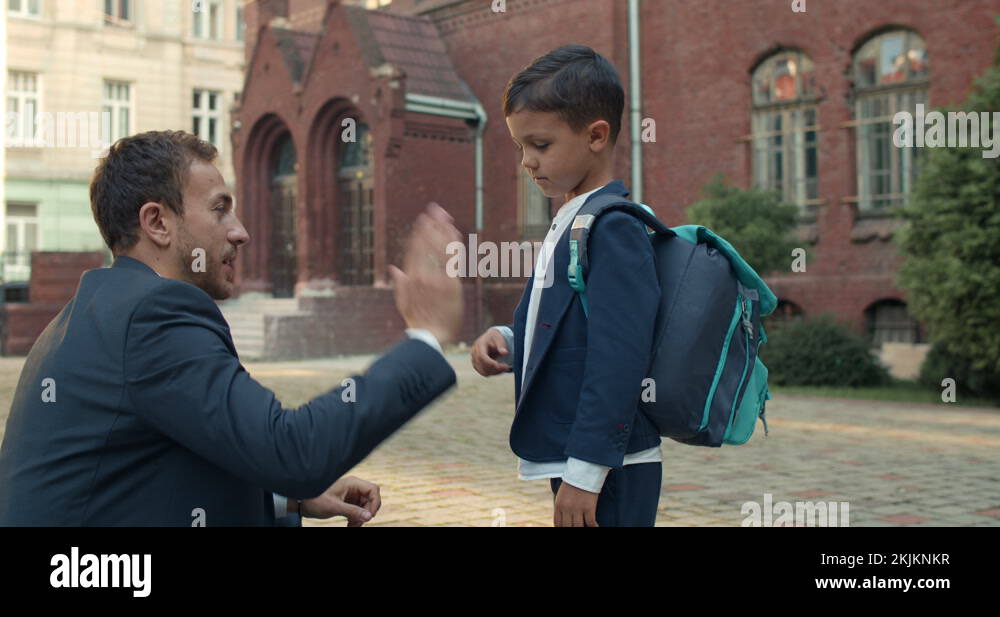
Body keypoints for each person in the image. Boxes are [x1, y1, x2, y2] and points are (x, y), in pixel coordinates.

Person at [0, 130, 463, 526]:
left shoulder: (98, 309)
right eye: (220, 209)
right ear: (157, 222)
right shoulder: (152, 313)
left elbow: (158, 468)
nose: (239, 231)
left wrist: (286, 498)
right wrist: (425, 336)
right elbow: (291, 450)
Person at [470, 45, 662, 527]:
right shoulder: (572, 216)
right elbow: (567, 320)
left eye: (540, 145)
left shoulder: (613, 226)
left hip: (607, 462)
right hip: (578, 454)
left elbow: (618, 356)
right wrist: (511, 340)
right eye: (520, 148)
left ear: (596, 135)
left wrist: (585, 473)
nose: (526, 163)